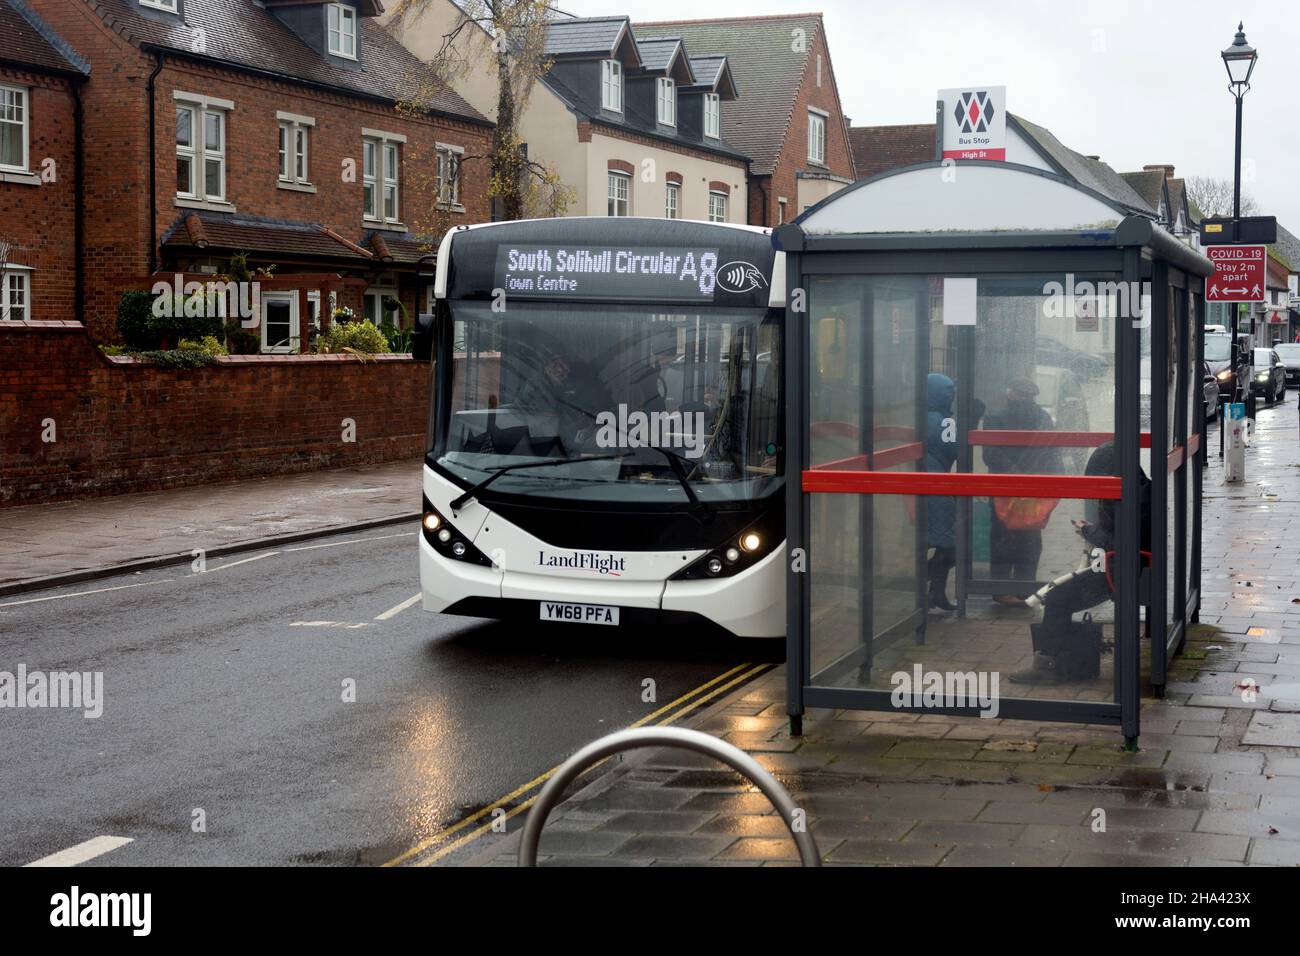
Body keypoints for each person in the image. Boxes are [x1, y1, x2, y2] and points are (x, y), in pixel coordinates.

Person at [1010, 441, 1151, 684]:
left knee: (1056, 599)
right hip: (1132, 566)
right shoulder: (1141, 490)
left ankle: (1048, 665)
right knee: (1061, 595)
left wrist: (1087, 532)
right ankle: (1061, 659)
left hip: (1120, 571)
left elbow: (1118, 542)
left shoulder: (1126, 497)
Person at [982, 379, 1062, 605]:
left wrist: (1013, 473)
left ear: (1012, 394)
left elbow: (990, 454)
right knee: (1030, 536)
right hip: (1033, 487)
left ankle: (1001, 590)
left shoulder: (995, 416)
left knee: (1002, 537)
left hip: (1004, 489)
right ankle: (1025, 589)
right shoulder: (1042, 417)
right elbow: (1051, 452)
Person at [925, 373, 958, 611]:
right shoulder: (940, 420)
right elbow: (953, 449)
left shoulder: (928, 416)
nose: (951, 396)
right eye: (948, 392)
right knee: (949, 545)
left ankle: (933, 592)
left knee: (933, 543)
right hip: (935, 490)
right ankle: (933, 590)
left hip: (930, 489)